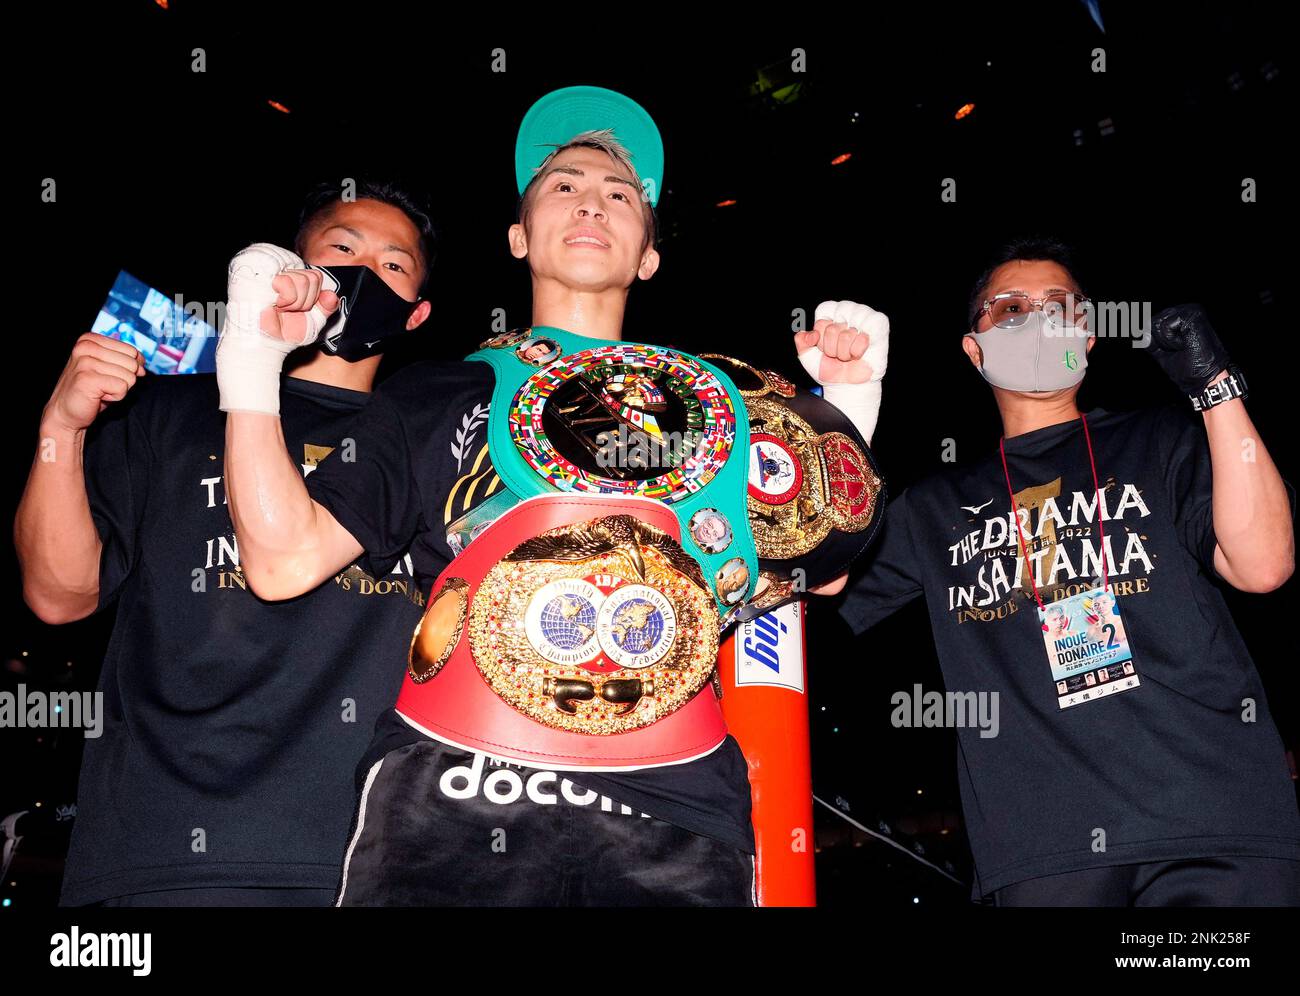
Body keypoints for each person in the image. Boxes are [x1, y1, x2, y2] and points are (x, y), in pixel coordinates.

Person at [217, 87, 887, 906]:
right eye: (563, 185)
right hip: (452, 795)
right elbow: (283, 561)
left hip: (678, 814)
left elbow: (823, 572)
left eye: (619, 195)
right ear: (519, 235)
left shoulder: (730, 404)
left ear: (648, 254)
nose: (591, 203)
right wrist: (250, 357)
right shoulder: (437, 393)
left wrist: (847, 411)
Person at [811, 237, 1300, 906]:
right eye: (1010, 308)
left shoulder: (1161, 439)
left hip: (1214, 828)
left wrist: (1214, 388)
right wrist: (842, 413)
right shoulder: (933, 507)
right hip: (1039, 854)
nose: (1037, 321)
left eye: (1059, 307)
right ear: (975, 350)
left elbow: (1264, 564)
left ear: (1088, 338)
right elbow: (814, 582)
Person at [14, 178, 435, 906]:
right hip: (176, 849)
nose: (364, 273)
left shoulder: (435, 442)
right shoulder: (172, 411)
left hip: (383, 858)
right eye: (342, 249)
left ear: (417, 312)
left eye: (393, 264)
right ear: (291, 266)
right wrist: (62, 427)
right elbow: (60, 595)